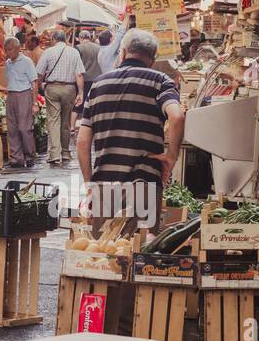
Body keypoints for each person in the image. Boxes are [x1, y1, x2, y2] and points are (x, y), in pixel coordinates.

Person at [77, 28, 186, 210]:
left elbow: (82, 142)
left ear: (124, 52)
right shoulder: (160, 82)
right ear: (152, 59)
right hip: (144, 183)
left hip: (105, 185)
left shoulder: (98, 84)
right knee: (143, 238)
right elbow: (177, 117)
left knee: (103, 239)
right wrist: (171, 157)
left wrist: (90, 186)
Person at [36, 29, 85, 166]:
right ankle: (65, 152)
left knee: (53, 120)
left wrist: (39, 86)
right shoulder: (74, 52)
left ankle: (54, 154)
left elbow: (39, 73)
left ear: (54, 39)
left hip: (52, 88)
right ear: (65, 39)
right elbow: (79, 74)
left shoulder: (48, 52)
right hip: (70, 88)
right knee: (66, 122)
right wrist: (81, 93)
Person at [4, 36, 40, 169]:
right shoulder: (7, 63)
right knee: (12, 128)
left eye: (10, 49)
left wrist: (35, 103)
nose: (8, 52)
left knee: (24, 128)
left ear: (18, 49)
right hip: (11, 95)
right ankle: (16, 158)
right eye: (6, 50)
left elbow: (34, 82)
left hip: (24, 94)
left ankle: (29, 156)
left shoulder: (27, 61)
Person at [76, 28, 102, 124]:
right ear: (90, 37)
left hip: (83, 79)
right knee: (94, 103)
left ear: (81, 37)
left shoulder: (78, 48)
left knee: (82, 104)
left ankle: (83, 123)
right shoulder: (99, 47)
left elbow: (76, 65)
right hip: (97, 79)